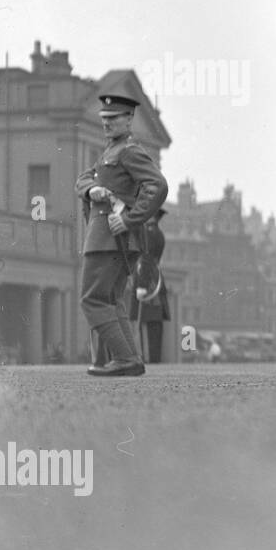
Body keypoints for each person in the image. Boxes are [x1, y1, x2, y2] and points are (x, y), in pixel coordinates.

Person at [75, 79, 169, 376]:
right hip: (111, 239)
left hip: (109, 238)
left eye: (113, 119)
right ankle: (131, 360)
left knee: (92, 299)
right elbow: (82, 179)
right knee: (111, 299)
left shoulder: (128, 151)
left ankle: (125, 358)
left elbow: (157, 185)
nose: (106, 124)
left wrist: (130, 218)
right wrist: (92, 190)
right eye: (104, 119)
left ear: (129, 119)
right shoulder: (110, 151)